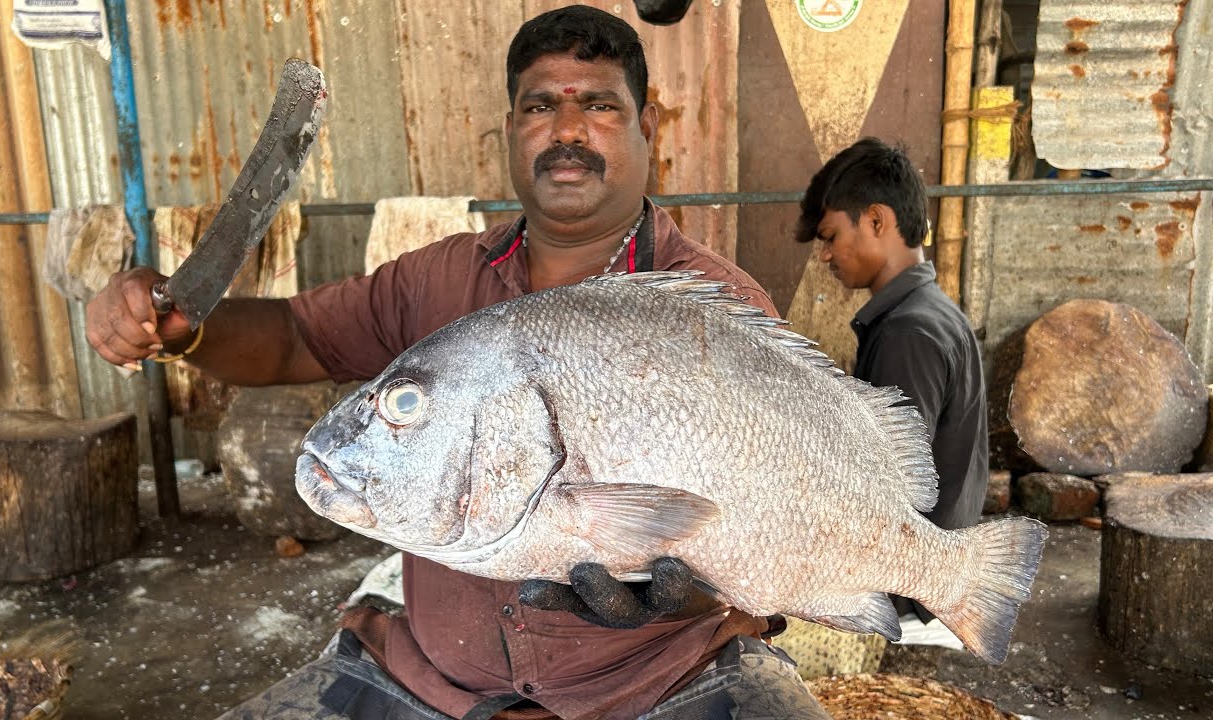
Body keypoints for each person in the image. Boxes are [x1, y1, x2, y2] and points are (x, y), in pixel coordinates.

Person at [87, 6, 831, 719]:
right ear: (510, 131)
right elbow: (291, 338)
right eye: (540, 108)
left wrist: (703, 594)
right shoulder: (432, 282)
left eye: (599, 107)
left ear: (647, 126)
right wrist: (182, 329)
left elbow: (780, 506)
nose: (567, 130)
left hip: (664, 683)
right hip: (432, 684)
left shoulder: (716, 309)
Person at [794, 137, 988, 625]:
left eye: (831, 235)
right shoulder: (929, 313)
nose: (825, 256)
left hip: (911, 590)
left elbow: (894, 485)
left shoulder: (909, 332)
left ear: (877, 221)